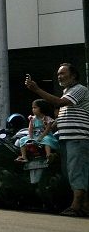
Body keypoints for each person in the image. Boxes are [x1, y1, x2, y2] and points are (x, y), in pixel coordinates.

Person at [25, 64, 89, 216]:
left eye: (63, 73)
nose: (59, 76)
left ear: (73, 76)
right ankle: (85, 205)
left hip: (77, 137)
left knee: (75, 171)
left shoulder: (80, 89)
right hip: (66, 138)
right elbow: (62, 114)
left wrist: (36, 89)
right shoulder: (67, 92)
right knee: (69, 172)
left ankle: (75, 206)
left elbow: (59, 103)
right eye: (58, 74)